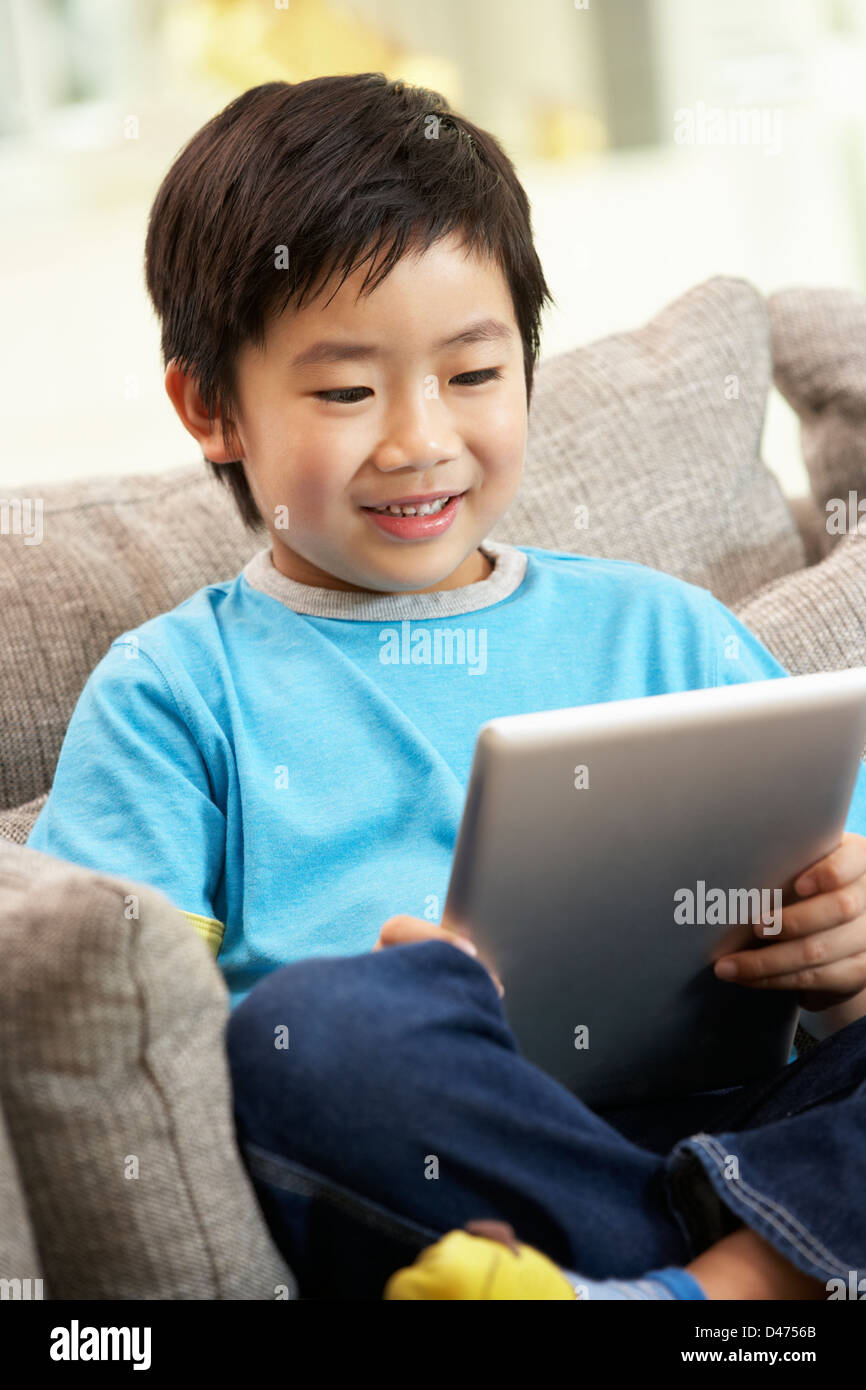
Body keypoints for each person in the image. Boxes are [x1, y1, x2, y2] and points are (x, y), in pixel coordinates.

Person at [27, 75, 866, 1301]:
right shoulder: (173, 691)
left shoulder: (665, 632)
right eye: (346, 391)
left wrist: (846, 940)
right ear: (210, 406)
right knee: (309, 1036)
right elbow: (119, 1013)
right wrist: (409, 993)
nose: (418, 438)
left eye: (471, 375)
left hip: (737, 1113)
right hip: (440, 1150)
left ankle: (678, 1292)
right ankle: (750, 1279)